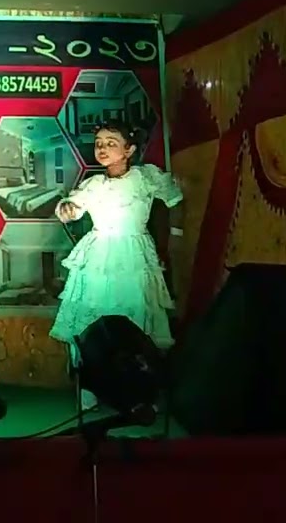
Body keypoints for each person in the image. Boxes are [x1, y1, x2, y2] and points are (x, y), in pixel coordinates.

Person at [51, 120, 183, 410]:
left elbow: (175, 200)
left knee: (137, 315)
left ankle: (144, 389)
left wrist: (175, 236)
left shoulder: (145, 178)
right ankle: (91, 386)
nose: (103, 148)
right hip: (99, 255)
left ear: (129, 149)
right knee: (92, 315)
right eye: (99, 143)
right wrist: (68, 209)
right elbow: (70, 208)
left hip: (135, 254)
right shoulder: (94, 184)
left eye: (111, 143)